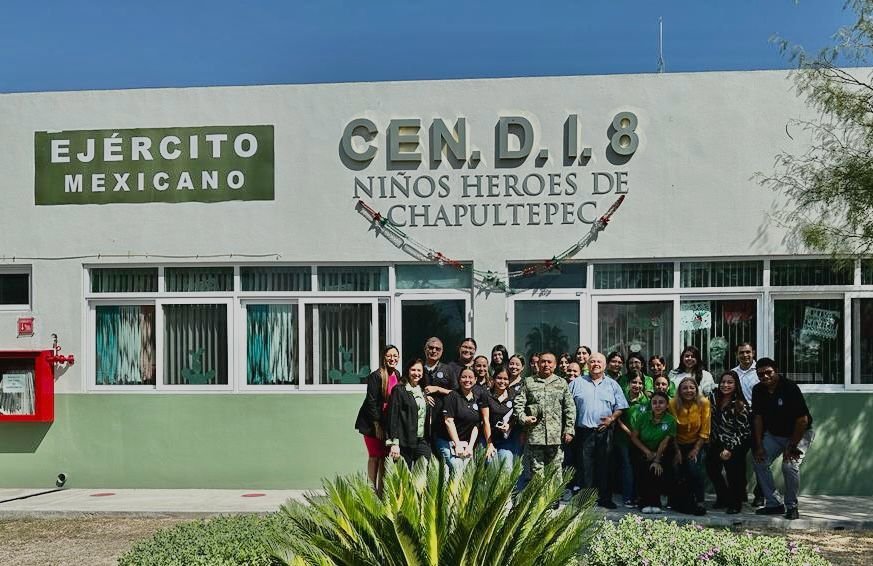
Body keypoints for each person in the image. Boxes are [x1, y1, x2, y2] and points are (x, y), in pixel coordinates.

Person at [752, 357, 813, 520]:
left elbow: (803, 420)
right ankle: (774, 504)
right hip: (774, 434)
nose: (765, 376)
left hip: (799, 434)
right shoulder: (758, 390)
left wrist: (791, 446)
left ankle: (792, 506)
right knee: (759, 461)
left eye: (768, 372)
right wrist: (758, 445)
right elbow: (757, 418)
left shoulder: (790, 387)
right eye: (760, 374)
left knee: (789, 466)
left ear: (776, 370)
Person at [568, 352, 627, 508]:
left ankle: (605, 498)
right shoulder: (576, 383)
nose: (595, 364)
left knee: (605, 466)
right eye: (592, 361)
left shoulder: (613, 385)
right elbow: (567, 406)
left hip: (605, 431)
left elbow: (621, 406)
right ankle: (586, 499)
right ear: (587, 365)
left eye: (599, 361)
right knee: (584, 466)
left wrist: (611, 419)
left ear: (605, 365)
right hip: (583, 431)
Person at [515, 352, 576, 485]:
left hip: (556, 436)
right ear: (538, 364)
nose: (546, 365)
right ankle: (539, 501)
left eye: (549, 362)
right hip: (535, 436)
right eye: (543, 362)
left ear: (555, 365)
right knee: (536, 472)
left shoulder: (561, 383)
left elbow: (570, 408)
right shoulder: (529, 382)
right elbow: (518, 404)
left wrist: (569, 429)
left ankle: (553, 499)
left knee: (555, 470)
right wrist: (523, 418)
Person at [354, 345, 401, 492]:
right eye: (389, 356)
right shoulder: (376, 375)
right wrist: (377, 425)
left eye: (395, 356)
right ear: (383, 357)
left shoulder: (397, 374)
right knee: (375, 456)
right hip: (372, 424)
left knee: (384, 458)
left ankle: (381, 492)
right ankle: (371, 490)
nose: (392, 359)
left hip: (388, 422)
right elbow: (371, 401)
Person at [705, 370, 751, 514]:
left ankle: (735, 503)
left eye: (730, 382)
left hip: (735, 442)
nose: (725, 385)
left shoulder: (740, 404)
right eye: (723, 382)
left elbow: (743, 431)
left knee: (733, 472)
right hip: (716, 441)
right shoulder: (713, 398)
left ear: (736, 384)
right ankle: (723, 497)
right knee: (711, 468)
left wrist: (729, 449)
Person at [669, 376, 711, 515]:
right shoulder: (673, 403)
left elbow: (705, 429)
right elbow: (671, 429)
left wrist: (696, 449)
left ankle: (699, 501)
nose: (688, 391)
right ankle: (678, 501)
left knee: (694, 470)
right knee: (677, 469)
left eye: (691, 388)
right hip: (677, 443)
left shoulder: (704, 403)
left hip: (696, 442)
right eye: (684, 388)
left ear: (696, 389)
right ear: (680, 390)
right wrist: (677, 451)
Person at [630, 391, 676, 514]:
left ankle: (655, 503)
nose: (657, 405)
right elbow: (634, 437)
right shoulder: (643, 416)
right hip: (641, 449)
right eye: (654, 402)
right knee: (644, 469)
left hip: (661, 452)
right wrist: (647, 452)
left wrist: (657, 459)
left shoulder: (671, 420)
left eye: (661, 402)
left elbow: (665, 442)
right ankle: (644, 502)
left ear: (667, 405)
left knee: (656, 470)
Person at [731, 342, 763, 507]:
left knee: (759, 457)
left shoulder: (760, 372)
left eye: (748, 352)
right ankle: (740, 492)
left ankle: (760, 494)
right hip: (739, 421)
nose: (745, 355)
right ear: (737, 354)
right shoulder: (732, 373)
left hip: (758, 419)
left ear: (753, 352)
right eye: (741, 352)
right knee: (737, 459)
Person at [386, 359, 432, 468]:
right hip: (404, 441)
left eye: (419, 370)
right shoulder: (399, 390)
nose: (416, 373)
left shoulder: (422, 391)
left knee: (423, 472)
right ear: (408, 371)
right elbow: (393, 417)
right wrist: (394, 444)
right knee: (403, 479)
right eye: (413, 370)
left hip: (421, 440)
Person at [439, 367, 484, 472]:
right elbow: (448, 421)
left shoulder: (477, 399)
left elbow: (476, 425)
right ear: (459, 379)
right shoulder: (452, 396)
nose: (467, 380)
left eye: (470, 377)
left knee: (469, 471)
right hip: (446, 440)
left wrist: (470, 447)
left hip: (466, 443)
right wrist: (457, 444)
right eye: (464, 377)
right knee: (458, 467)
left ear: (475, 379)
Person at [615, 370, 650, 507]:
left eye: (640, 383)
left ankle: (639, 496)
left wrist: (638, 435)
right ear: (629, 384)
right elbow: (618, 418)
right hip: (624, 439)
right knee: (627, 467)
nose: (637, 385)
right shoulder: (623, 398)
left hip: (641, 440)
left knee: (639, 468)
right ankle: (627, 497)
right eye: (634, 382)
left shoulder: (647, 400)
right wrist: (630, 433)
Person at [422, 337, 457, 446]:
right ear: (425, 349)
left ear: (442, 352)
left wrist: (438, 389)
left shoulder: (448, 369)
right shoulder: (418, 369)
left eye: (438, 349)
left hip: (442, 421)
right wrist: (423, 395)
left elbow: (456, 394)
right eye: (431, 348)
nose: (434, 351)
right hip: (421, 420)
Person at [486, 368, 521, 467]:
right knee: (491, 466)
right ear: (493, 379)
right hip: (488, 438)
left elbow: (516, 416)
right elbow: (485, 420)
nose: (502, 381)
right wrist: (489, 444)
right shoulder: (487, 395)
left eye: (505, 379)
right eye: (499, 378)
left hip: (506, 439)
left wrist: (509, 425)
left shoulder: (514, 395)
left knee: (507, 467)